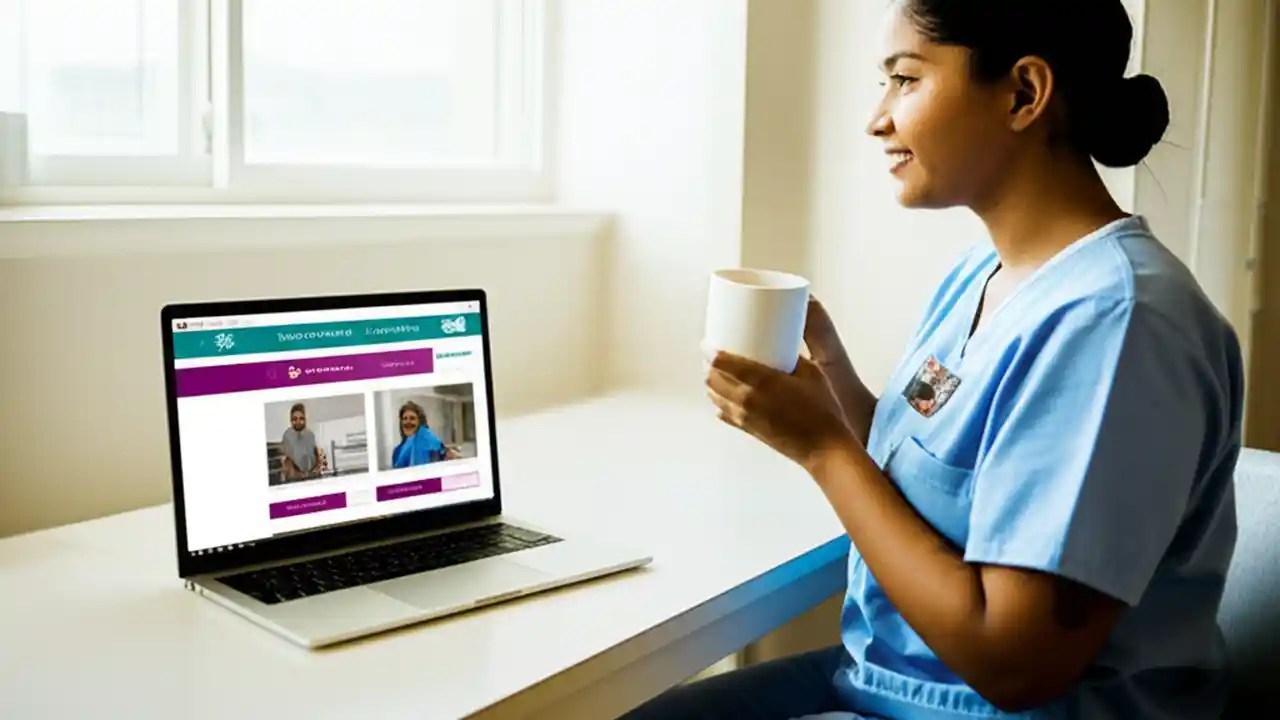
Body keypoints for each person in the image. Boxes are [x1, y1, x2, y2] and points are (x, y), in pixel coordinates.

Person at [627, 1, 1243, 718]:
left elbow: (1015, 665)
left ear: (1023, 94)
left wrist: (823, 448)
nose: (878, 119)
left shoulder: (1121, 325)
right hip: (890, 676)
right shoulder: (981, 277)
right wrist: (835, 388)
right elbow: (942, 480)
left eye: (905, 80)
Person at [391, 401, 460, 469]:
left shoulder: (432, 444)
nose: (408, 422)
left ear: (420, 422)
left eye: (412, 418)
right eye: (405, 418)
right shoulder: (397, 451)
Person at [279, 402, 323, 482]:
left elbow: (316, 456)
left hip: (312, 477)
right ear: (291, 420)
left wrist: (314, 471)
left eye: (301, 418)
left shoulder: (310, 435)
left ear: (305, 419)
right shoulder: (287, 436)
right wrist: (298, 475)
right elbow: (286, 461)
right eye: (295, 419)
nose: (298, 421)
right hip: (294, 479)